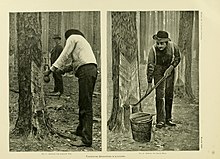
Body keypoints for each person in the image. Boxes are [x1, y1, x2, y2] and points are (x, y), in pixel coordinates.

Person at [44, 29, 98, 147]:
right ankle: (80, 130)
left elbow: (64, 55)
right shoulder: (82, 45)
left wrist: (51, 70)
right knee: (82, 102)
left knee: (86, 104)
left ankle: (87, 139)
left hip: (86, 71)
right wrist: (62, 70)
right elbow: (76, 63)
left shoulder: (73, 38)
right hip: (90, 70)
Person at [146, 31, 181, 128]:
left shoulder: (174, 47)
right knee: (160, 96)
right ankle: (160, 120)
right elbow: (150, 66)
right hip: (158, 72)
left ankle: (168, 119)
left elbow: (178, 58)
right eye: (157, 43)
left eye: (162, 43)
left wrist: (171, 68)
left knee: (169, 94)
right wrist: (149, 84)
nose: (159, 45)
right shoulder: (152, 50)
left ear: (167, 42)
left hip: (169, 71)